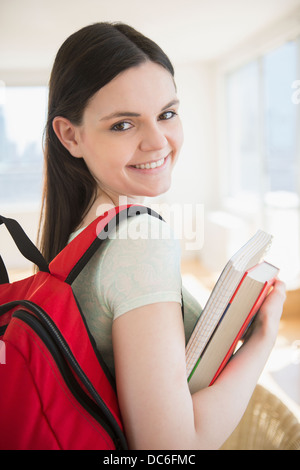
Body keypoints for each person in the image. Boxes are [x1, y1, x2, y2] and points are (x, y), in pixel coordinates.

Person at [38, 22, 286, 450]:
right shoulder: (141, 238)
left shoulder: (77, 235)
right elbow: (169, 450)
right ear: (70, 135)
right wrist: (264, 340)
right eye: (122, 125)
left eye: (167, 114)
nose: (158, 142)